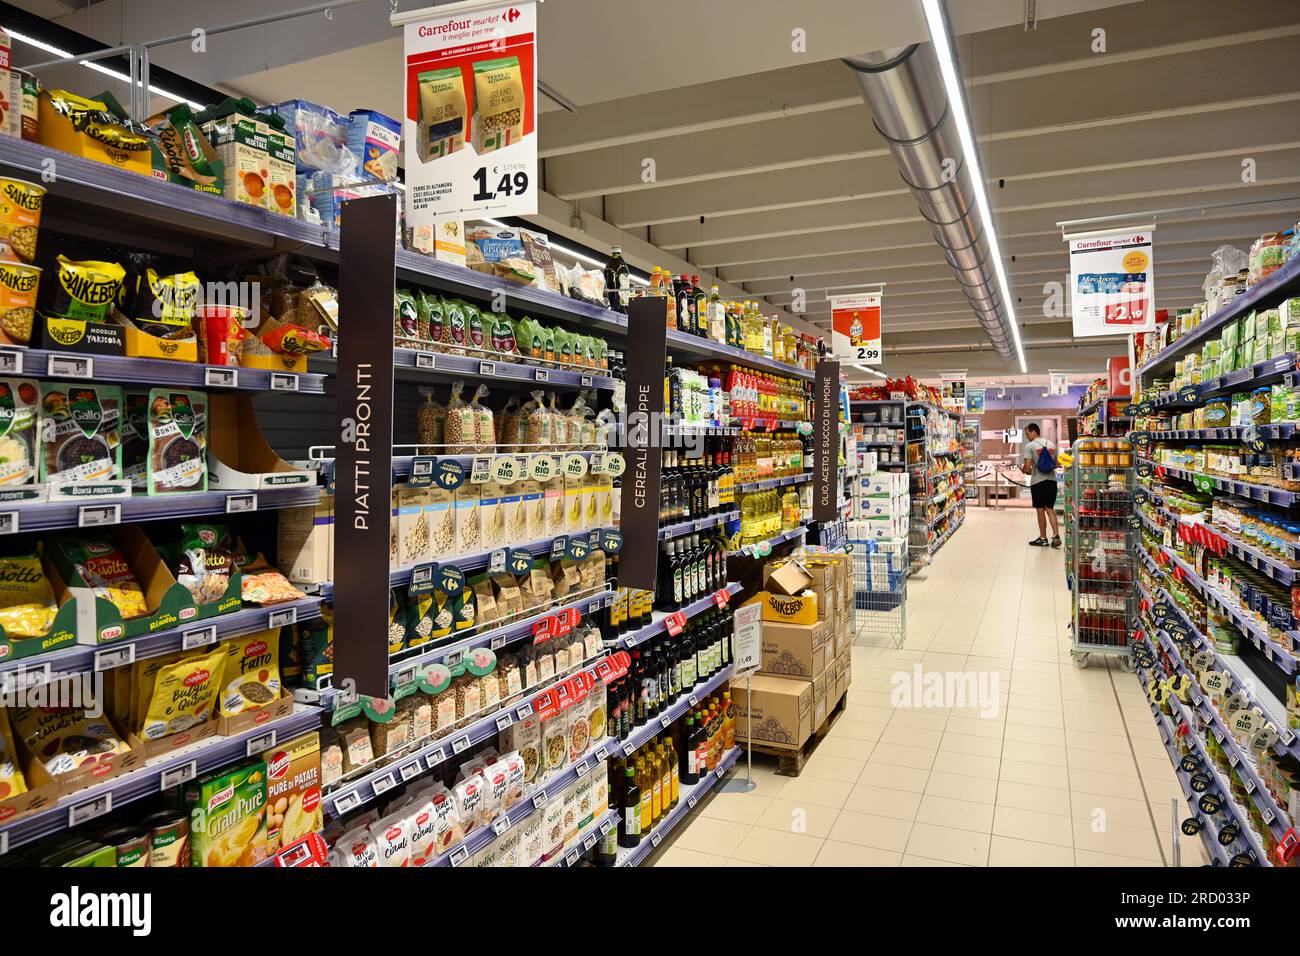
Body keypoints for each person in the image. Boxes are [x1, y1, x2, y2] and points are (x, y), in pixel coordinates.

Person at [1020, 423, 1060, 547]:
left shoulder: (1030, 446)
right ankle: (1056, 535)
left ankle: (1043, 538)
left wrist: (1024, 470)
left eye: (1027, 434)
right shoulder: (1051, 444)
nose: (1027, 437)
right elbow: (1057, 464)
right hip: (1052, 481)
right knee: (1050, 509)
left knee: (1040, 510)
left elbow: (1027, 467)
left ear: (1034, 432)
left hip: (1038, 482)